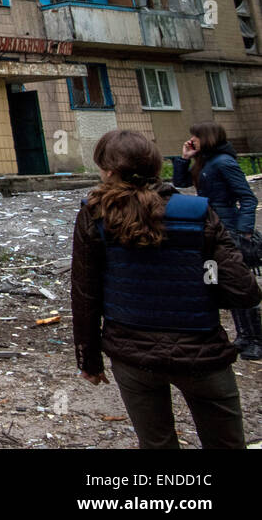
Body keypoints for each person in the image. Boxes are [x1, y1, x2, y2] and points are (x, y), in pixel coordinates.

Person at [72, 129, 260, 449]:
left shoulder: (95, 214)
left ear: (109, 170)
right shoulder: (198, 212)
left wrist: (89, 361)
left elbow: (85, 295)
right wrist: (200, 286)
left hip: (133, 358)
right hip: (202, 354)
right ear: (157, 167)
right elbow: (244, 291)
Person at [172, 121, 262, 360]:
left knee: (237, 281)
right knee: (213, 279)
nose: (192, 140)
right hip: (209, 227)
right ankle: (242, 336)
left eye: (195, 136)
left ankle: (255, 338)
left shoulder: (224, 162)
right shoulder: (206, 162)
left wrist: (243, 233)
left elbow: (248, 198)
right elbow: (180, 184)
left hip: (227, 229)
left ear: (208, 137)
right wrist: (185, 158)